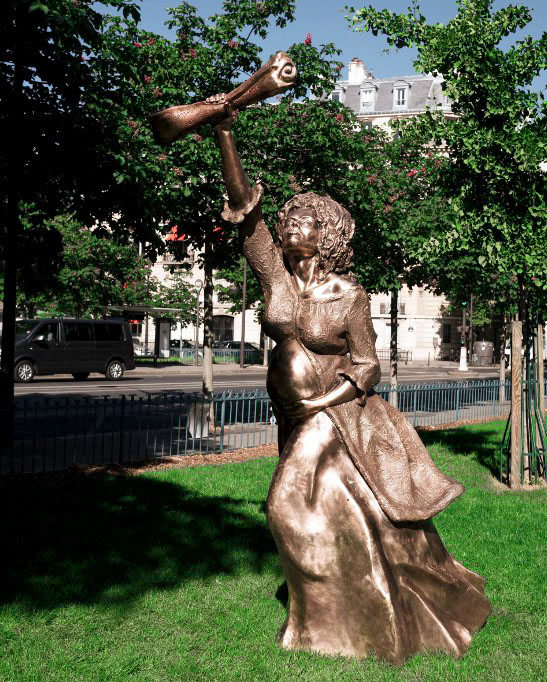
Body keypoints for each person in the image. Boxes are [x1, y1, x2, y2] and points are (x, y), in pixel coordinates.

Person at [209, 96, 490, 664]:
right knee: (347, 516)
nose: (287, 225)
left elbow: (367, 365)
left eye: (300, 220)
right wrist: (224, 133)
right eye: (286, 220)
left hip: (335, 413)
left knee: (288, 504)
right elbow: (245, 206)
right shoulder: (277, 278)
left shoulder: (349, 296)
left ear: (326, 232)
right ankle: (350, 613)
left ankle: (331, 625)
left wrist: (319, 403)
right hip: (291, 414)